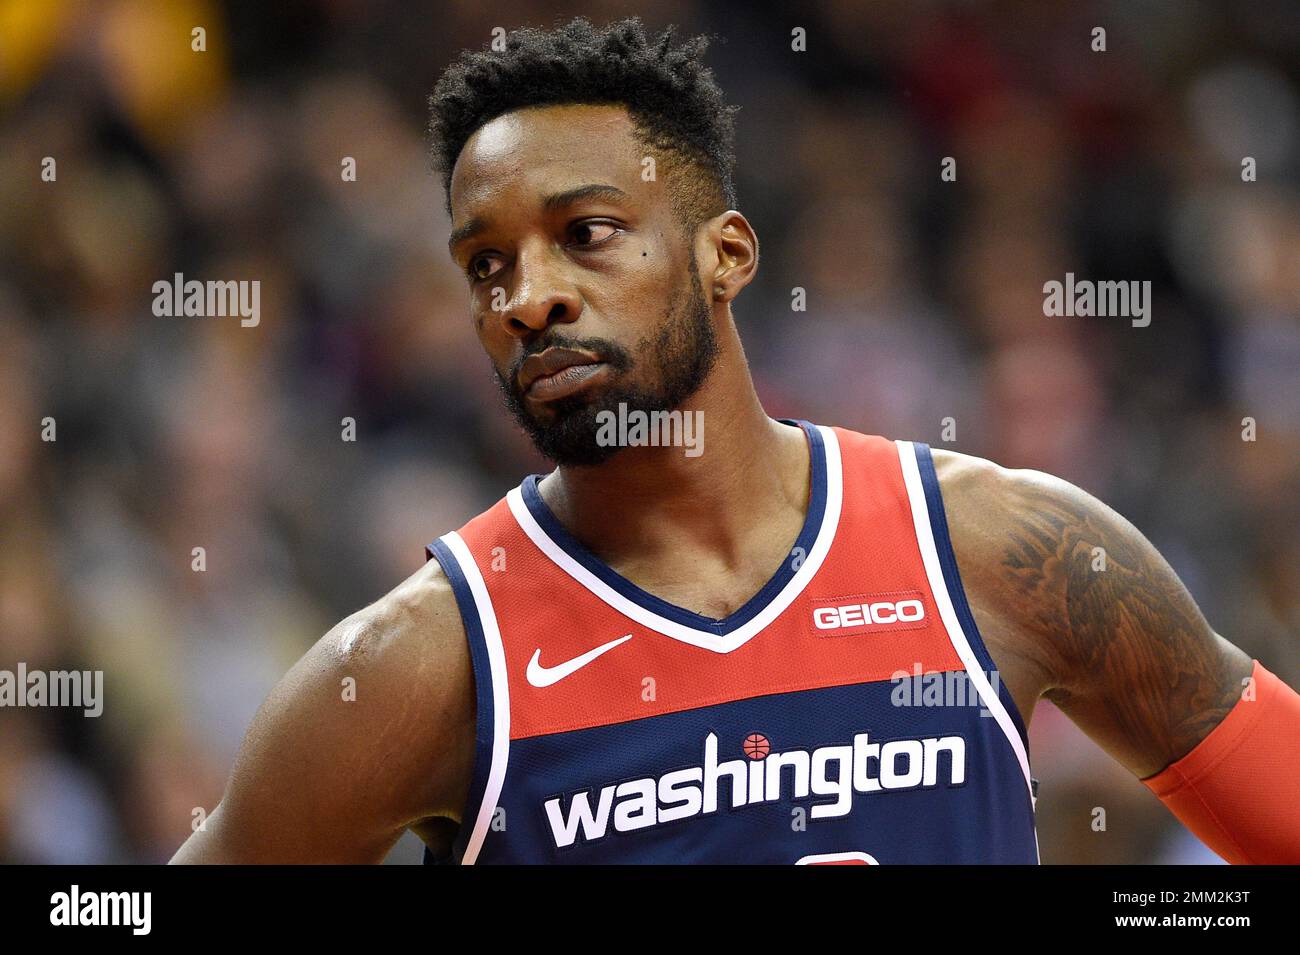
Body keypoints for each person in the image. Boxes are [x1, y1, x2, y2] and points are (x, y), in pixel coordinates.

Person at [171, 17, 1299, 864]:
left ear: (728, 254)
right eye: (486, 265)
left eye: (586, 234)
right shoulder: (420, 666)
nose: (528, 297)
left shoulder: (1007, 551)